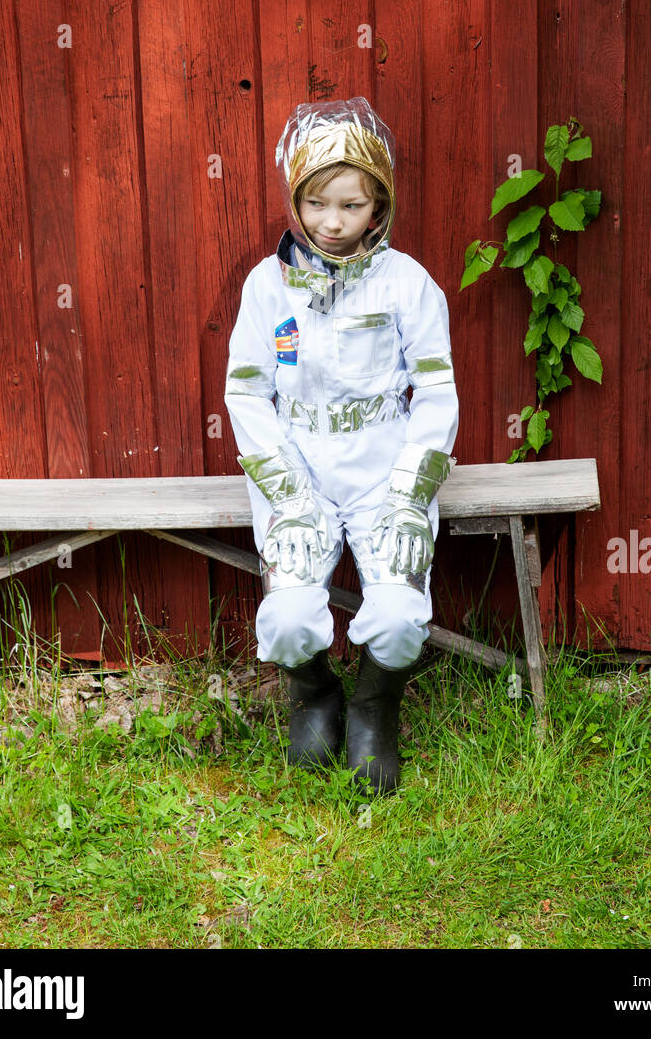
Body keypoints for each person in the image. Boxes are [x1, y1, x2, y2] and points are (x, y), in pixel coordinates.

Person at [224, 96, 459, 793]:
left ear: (379, 204)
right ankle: (315, 694)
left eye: (352, 205)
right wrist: (287, 497)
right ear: (295, 198)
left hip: (383, 465)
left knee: (399, 616)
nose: (333, 222)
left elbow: (437, 393)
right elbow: (245, 393)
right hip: (299, 465)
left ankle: (374, 706)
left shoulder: (408, 283)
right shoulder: (268, 287)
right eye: (318, 203)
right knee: (291, 616)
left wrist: (413, 493)